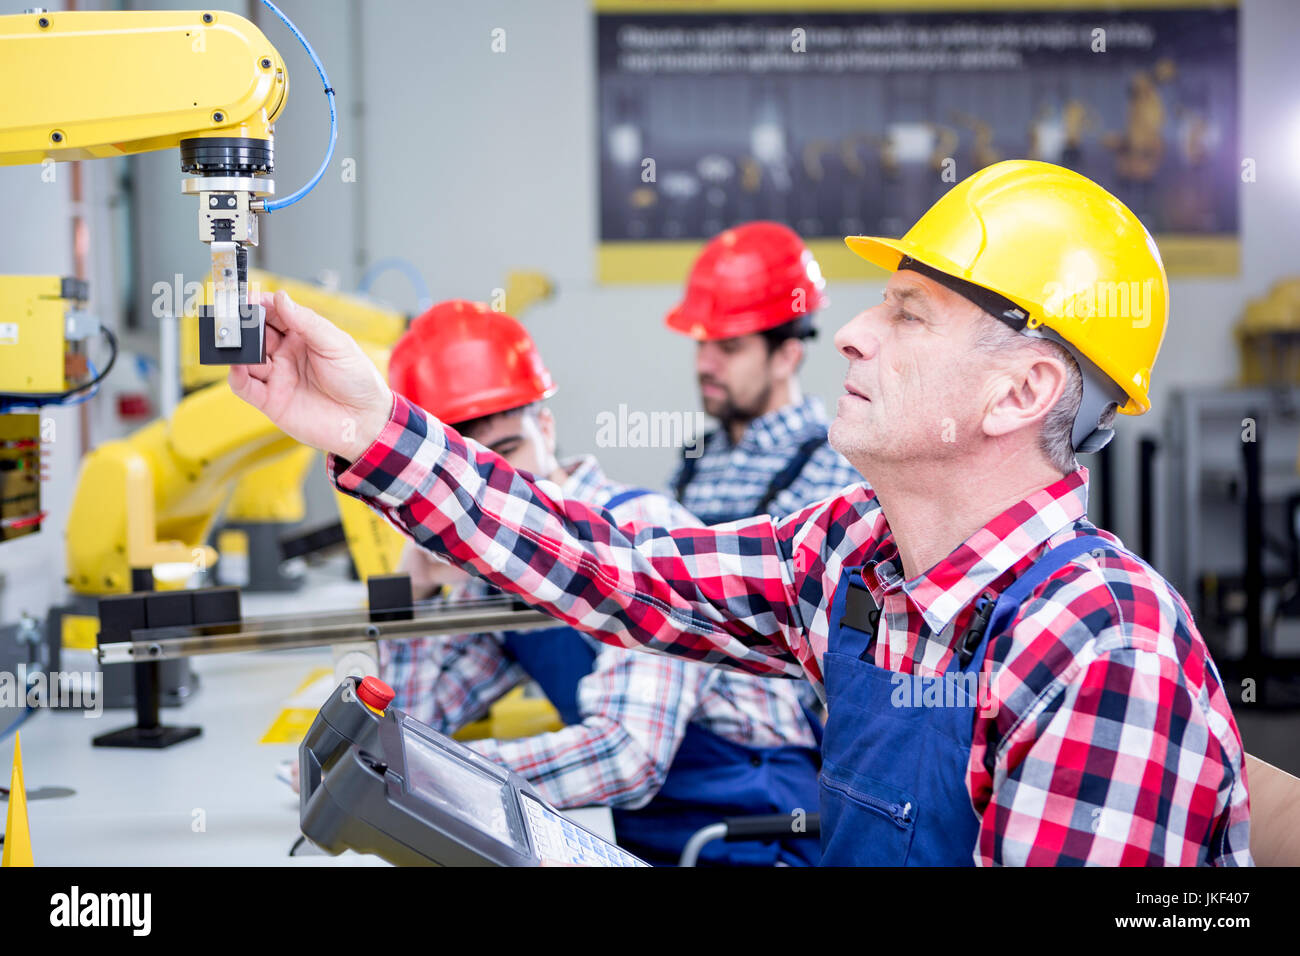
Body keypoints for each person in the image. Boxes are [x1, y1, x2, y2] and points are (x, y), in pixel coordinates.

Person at [232, 160, 1251, 865]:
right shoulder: (853, 554)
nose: (848, 332)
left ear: (1020, 393)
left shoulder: (1101, 646)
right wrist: (374, 431)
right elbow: (618, 564)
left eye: (906, 313)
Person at [371, 299, 822, 867]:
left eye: (505, 457)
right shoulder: (496, 579)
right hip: (649, 834)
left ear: (548, 426)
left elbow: (627, 756)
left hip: (750, 830)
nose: (490, 497)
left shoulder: (641, 531)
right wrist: (415, 593)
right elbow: (424, 723)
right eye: (465, 479)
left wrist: (443, 777)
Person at [666, 221, 860, 525]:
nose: (704, 364)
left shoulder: (836, 467)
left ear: (786, 357)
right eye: (702, 344)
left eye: (730, 347)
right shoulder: (698, 460)